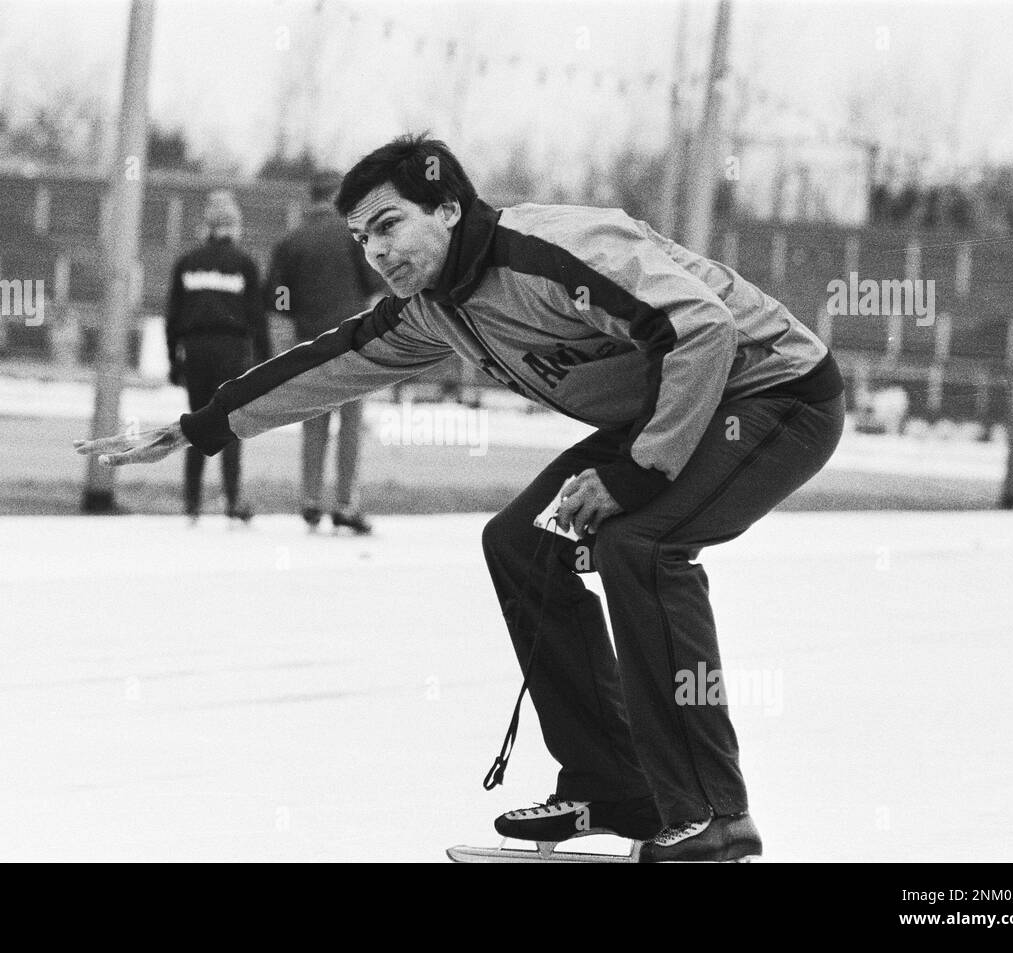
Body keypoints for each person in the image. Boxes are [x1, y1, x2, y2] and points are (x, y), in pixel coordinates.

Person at [77, 134, 845, 862]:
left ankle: (716, 812)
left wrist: (635, 475)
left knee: (639, 543)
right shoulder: (435, 308)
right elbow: (331, 363)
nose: (375, 253)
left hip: (773, 389)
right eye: (362, 239)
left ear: (447, 208)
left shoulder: (557, 251)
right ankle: (617, 786)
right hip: (669, 411)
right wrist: (195, 427)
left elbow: (701, 328)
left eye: (387, 225)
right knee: (521, 543)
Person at [265, 169, 385, 534]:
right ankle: (345, 504)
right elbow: (374, 286)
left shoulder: (291, 241)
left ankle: (310, 500)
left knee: (314, 422)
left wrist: (288, 340)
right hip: (350, 344)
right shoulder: (353, 238)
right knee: (349, 425)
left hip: (309, 344)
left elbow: (279, 301)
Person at [164, 189, 269, 524]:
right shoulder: (244, 264)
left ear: (205, 226)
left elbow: (172, 317)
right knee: (231, 424)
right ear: (234, 226)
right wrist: (265, 363)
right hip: (232, 351)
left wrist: (173, 361)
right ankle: (233, 501)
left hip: (195, 351)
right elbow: (257, 318)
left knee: (197, 422)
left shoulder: (187, 263)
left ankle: (192, 504)